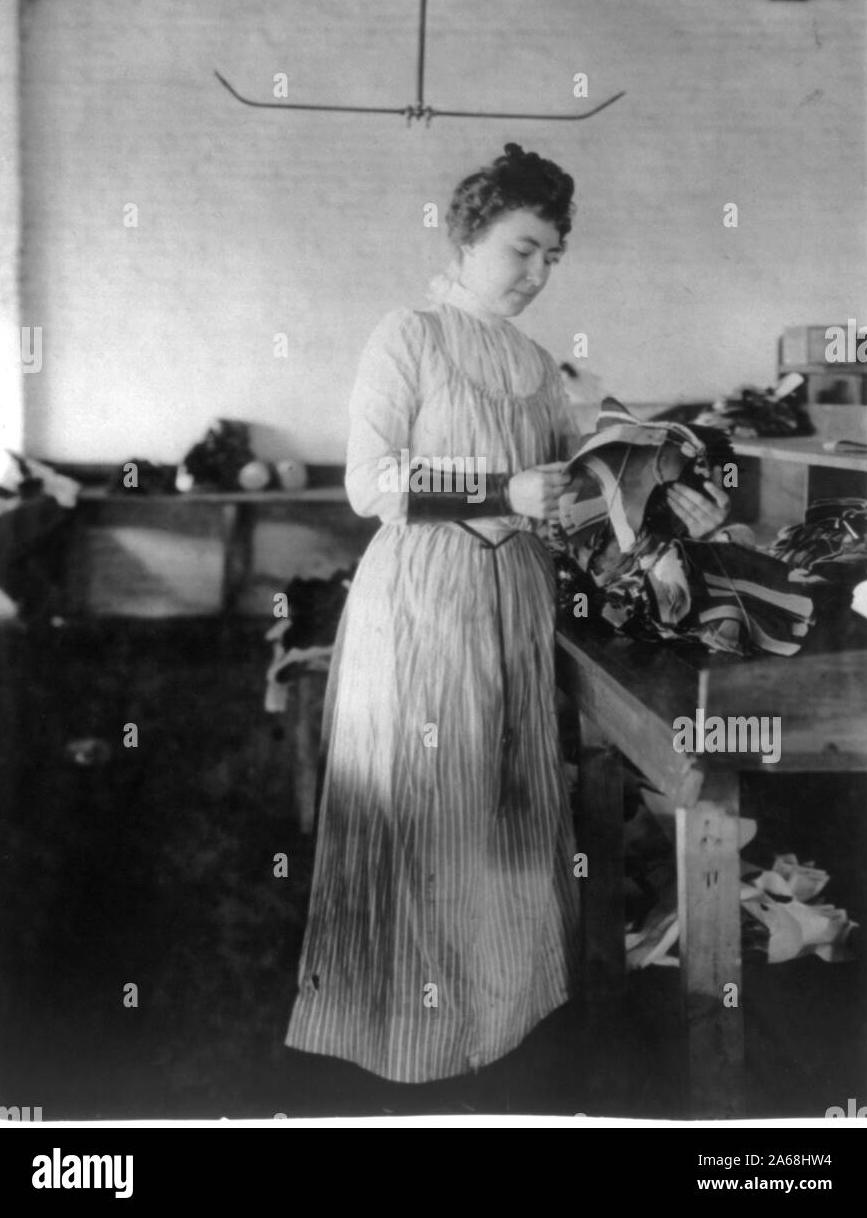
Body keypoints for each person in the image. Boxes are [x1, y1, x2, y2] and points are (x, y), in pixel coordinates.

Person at [284, 143, 729, 1084]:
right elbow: (371, 485)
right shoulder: (408, 336)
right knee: (426, 809)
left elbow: (588, 486)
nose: (537, 274)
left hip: (515, 602)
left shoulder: (540, 369)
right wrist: (499, 488)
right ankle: (405, 1037)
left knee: (505, 809)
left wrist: (670, 492)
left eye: (553, 259)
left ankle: (502, 1024)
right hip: (422, 600)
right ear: (471, 233)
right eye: (524, 249)